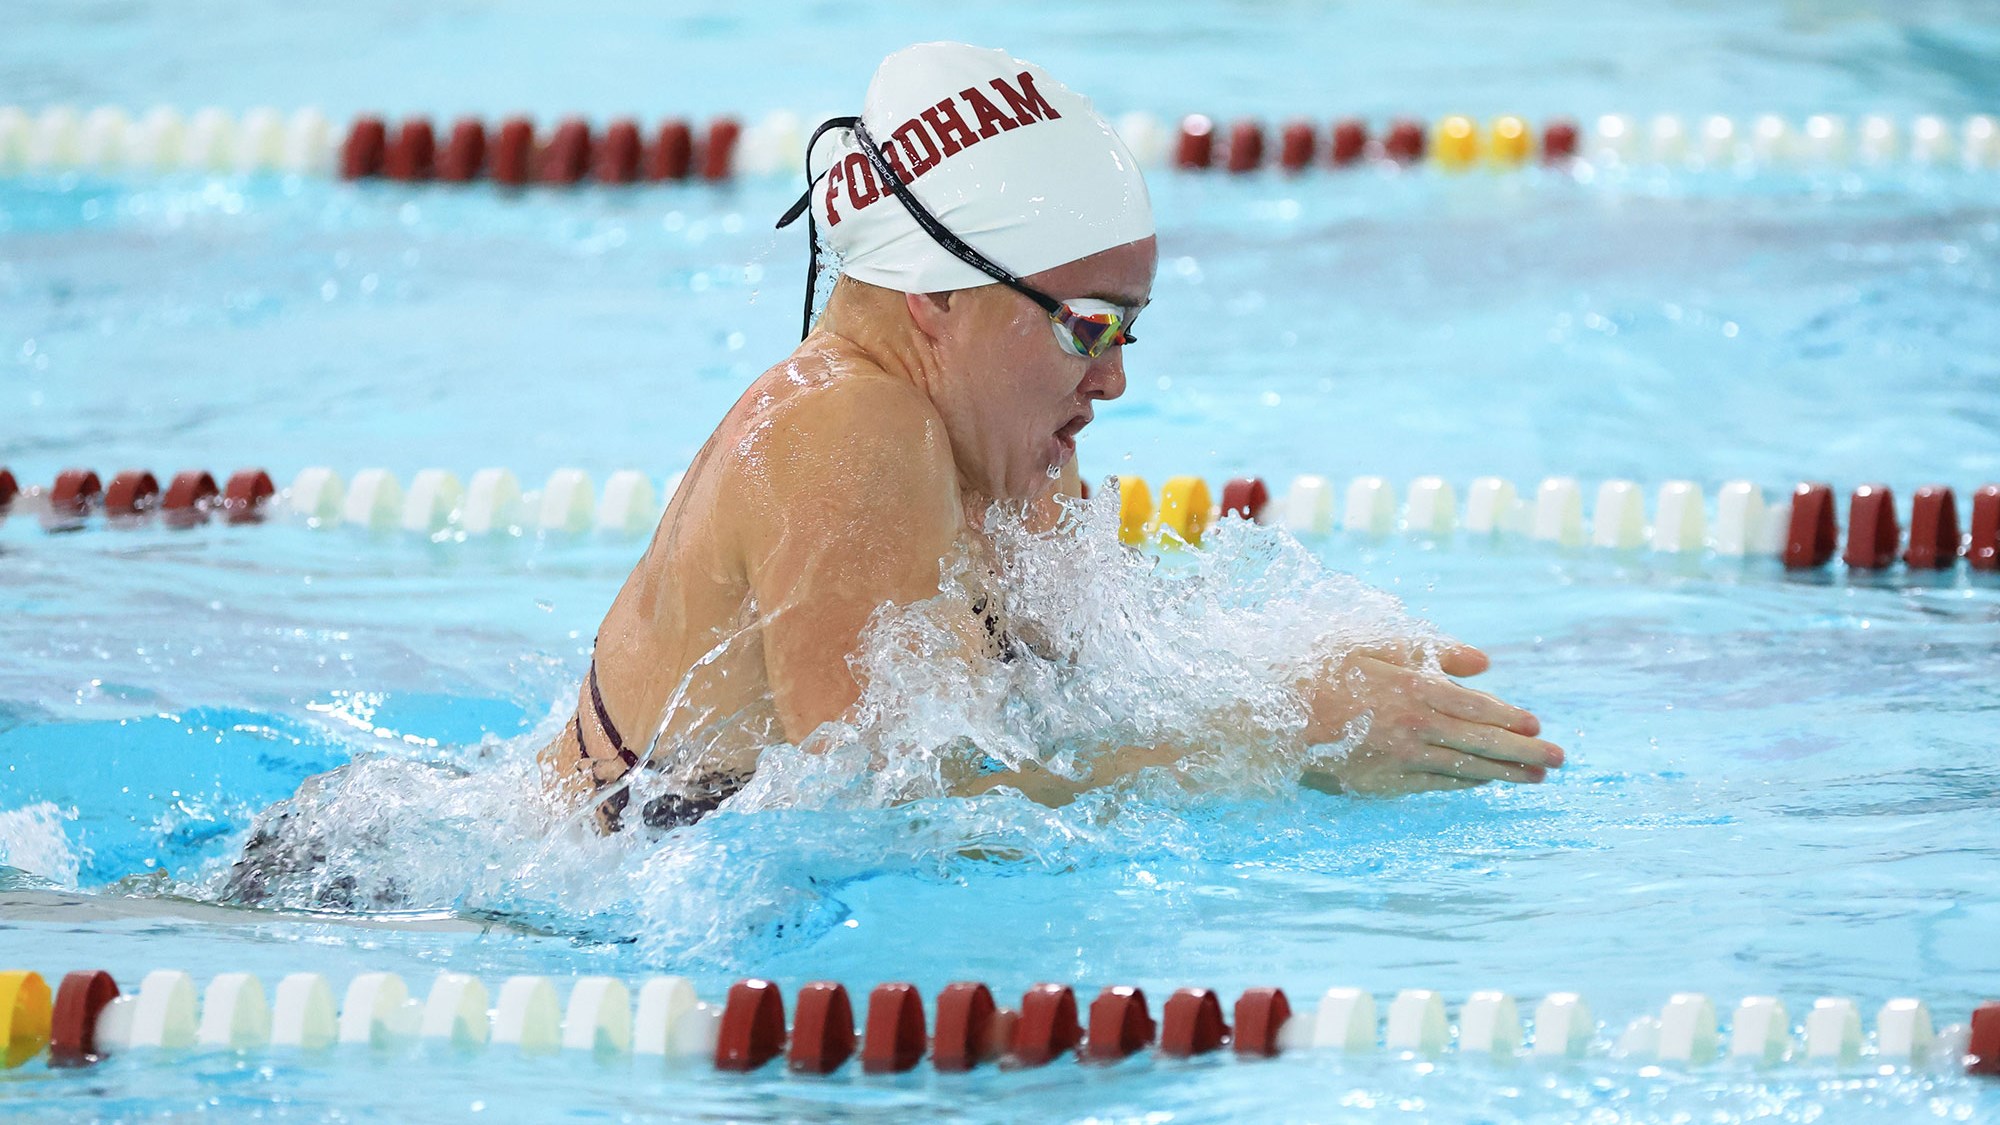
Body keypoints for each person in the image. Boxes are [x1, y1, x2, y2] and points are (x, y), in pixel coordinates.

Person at [537, 42, 1564, 833]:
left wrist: (1314, 679)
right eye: (1086, 325)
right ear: (938, 295)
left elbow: (1102, 690)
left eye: (1126, 328)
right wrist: (1293, 743)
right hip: (564, 910)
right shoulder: (840, 427)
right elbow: (897, 817)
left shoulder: (1001, 454)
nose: (1112, 378)